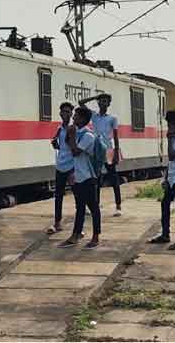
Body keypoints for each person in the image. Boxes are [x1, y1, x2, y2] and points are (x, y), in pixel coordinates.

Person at [58, 106, 101, 250]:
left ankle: (95, 237)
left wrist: (71, 136)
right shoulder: (77, 132)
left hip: (88, 177)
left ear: (82, 119)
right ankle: (75, 235)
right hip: (78, 177)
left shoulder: (88, 136)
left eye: (76, 115)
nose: (73, 118)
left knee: (93, 207)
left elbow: (76, 152)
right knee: (80, 207)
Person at [148, 110, 175, 250]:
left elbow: (172, 156)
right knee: (165, 204)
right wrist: (165, 178)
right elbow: (170, 162)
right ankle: (165, 234)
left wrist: (170, 139)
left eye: (169, 123)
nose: (167, 126)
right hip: (172, 177)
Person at [80, 93, 122, 217]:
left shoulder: (112, 118)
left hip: (108, 150)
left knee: (113, 178)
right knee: (96, 179)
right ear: (98, 103)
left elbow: (115, 136)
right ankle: (95, 204)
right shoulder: (94, 115)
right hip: (96, 150)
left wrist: (116, 153)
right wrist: (95, 97)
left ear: (109, 104)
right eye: (101, 101)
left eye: (105, 101)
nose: (103, 103)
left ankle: (118, 206)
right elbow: (81, 103)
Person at [46, 102, 75, 235]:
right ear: (60, 114)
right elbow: (58, 144)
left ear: (71, 114)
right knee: (58, 195)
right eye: (64, 111)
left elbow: (73, 147)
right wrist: (55, 144)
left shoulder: (73, 128)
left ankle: (79, 225)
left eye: (68, 112)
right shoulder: (59, 129)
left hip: (71, 166)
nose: (66, 114)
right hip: (60, 165)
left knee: (77, 193)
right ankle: (57, 222)